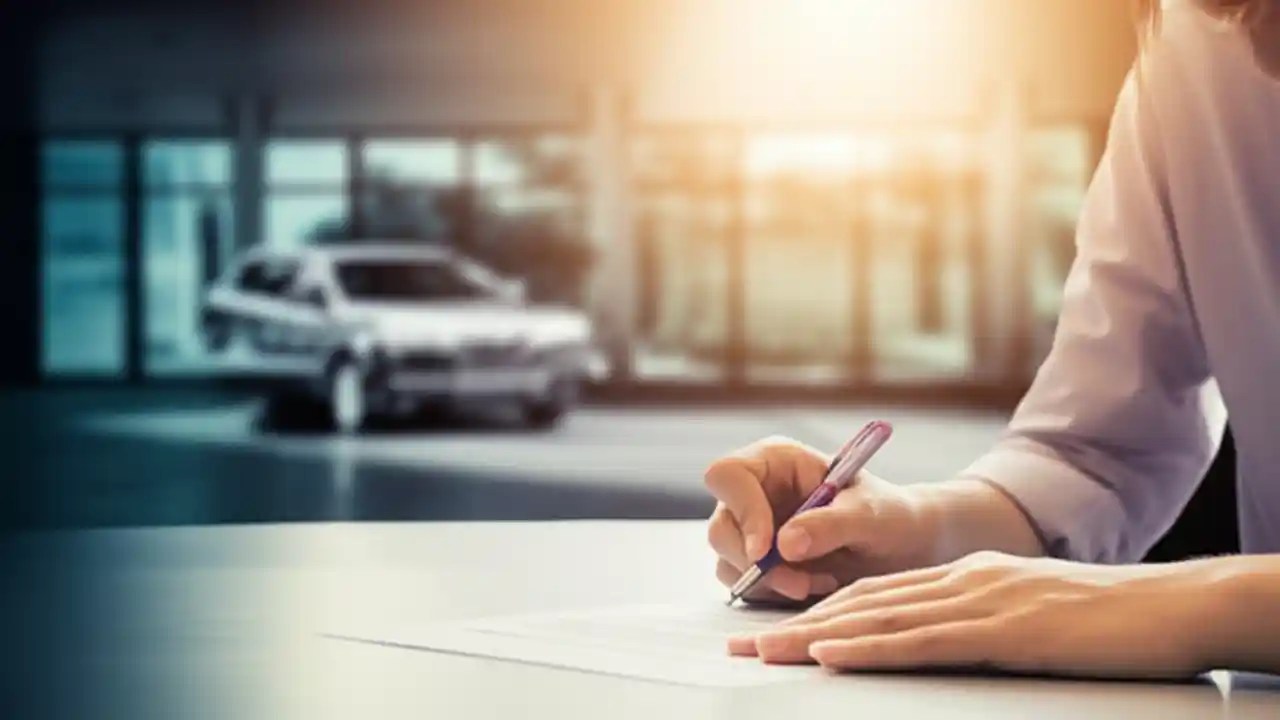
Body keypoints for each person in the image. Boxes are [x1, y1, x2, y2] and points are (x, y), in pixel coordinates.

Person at [705, 0, 1280, 678]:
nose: (1236, 28)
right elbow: (1094, 454)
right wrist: (909, 528)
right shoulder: (1189, 39)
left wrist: (1195, 609)